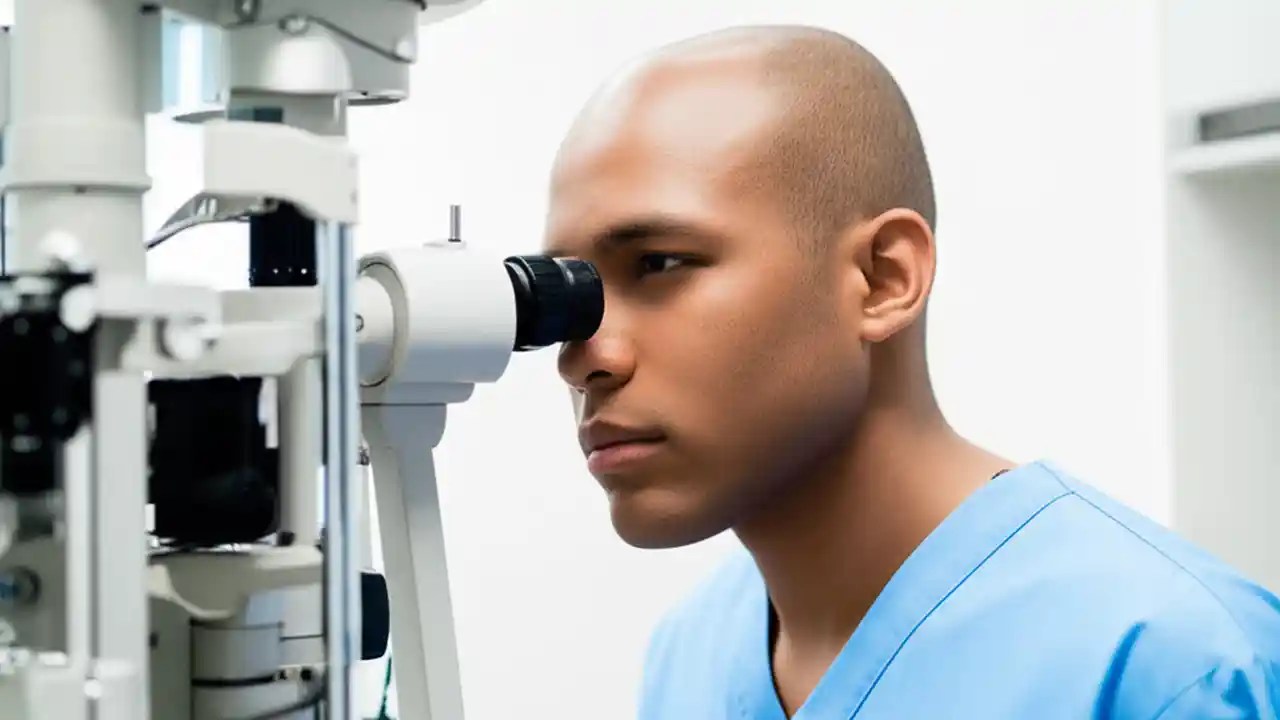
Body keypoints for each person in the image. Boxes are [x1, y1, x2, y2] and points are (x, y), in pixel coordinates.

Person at [541, 24, 1280, 719]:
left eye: (659, 265)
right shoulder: (687, 658)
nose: (585, 358)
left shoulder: (1172, 667)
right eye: (574, 296)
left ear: (882, 278)